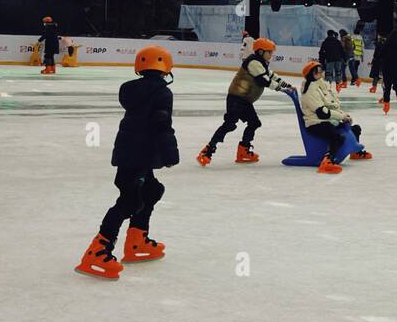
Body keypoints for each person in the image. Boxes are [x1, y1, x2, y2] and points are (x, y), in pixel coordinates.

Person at [75, 46, 179, 280]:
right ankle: (97, 250)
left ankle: (136, 240)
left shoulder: (131, 90)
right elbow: (161, 123)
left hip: (130, 152)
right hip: (140, 154)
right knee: (130, 200)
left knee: (151, 190)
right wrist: (170, 154)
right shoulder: (162, 93)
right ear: (166, 67)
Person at [198, 37, 293, 165]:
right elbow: (263, 80)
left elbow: (271, 75)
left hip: (244, 100)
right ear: (260, 51)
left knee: (254, 123)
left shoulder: (261, 62)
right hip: (236, 98)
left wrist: (286, 85)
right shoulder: (253, 62)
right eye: (269, 52)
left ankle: (243, 150)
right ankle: (208, 150)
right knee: (229, 124)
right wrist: (281, 89)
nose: (271, 55)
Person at [300, 61, 372, 173]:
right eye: (317, 72)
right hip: (315, 123)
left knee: (355, 128)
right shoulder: (310, 90)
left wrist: (342, 115)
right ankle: (327, 161)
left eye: (321, 71)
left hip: (325, 120)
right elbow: (322, 112)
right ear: (311, 74)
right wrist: (341, 116)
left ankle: (354, 152)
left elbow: (330, 105)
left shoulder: (320, 86)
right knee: (337, 137)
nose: (321, 74)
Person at [377, 28, 397, 114]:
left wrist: (379, 60)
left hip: (387, 67)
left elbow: (380, 54)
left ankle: (386, 106)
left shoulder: (387, 44)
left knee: (387, 87)